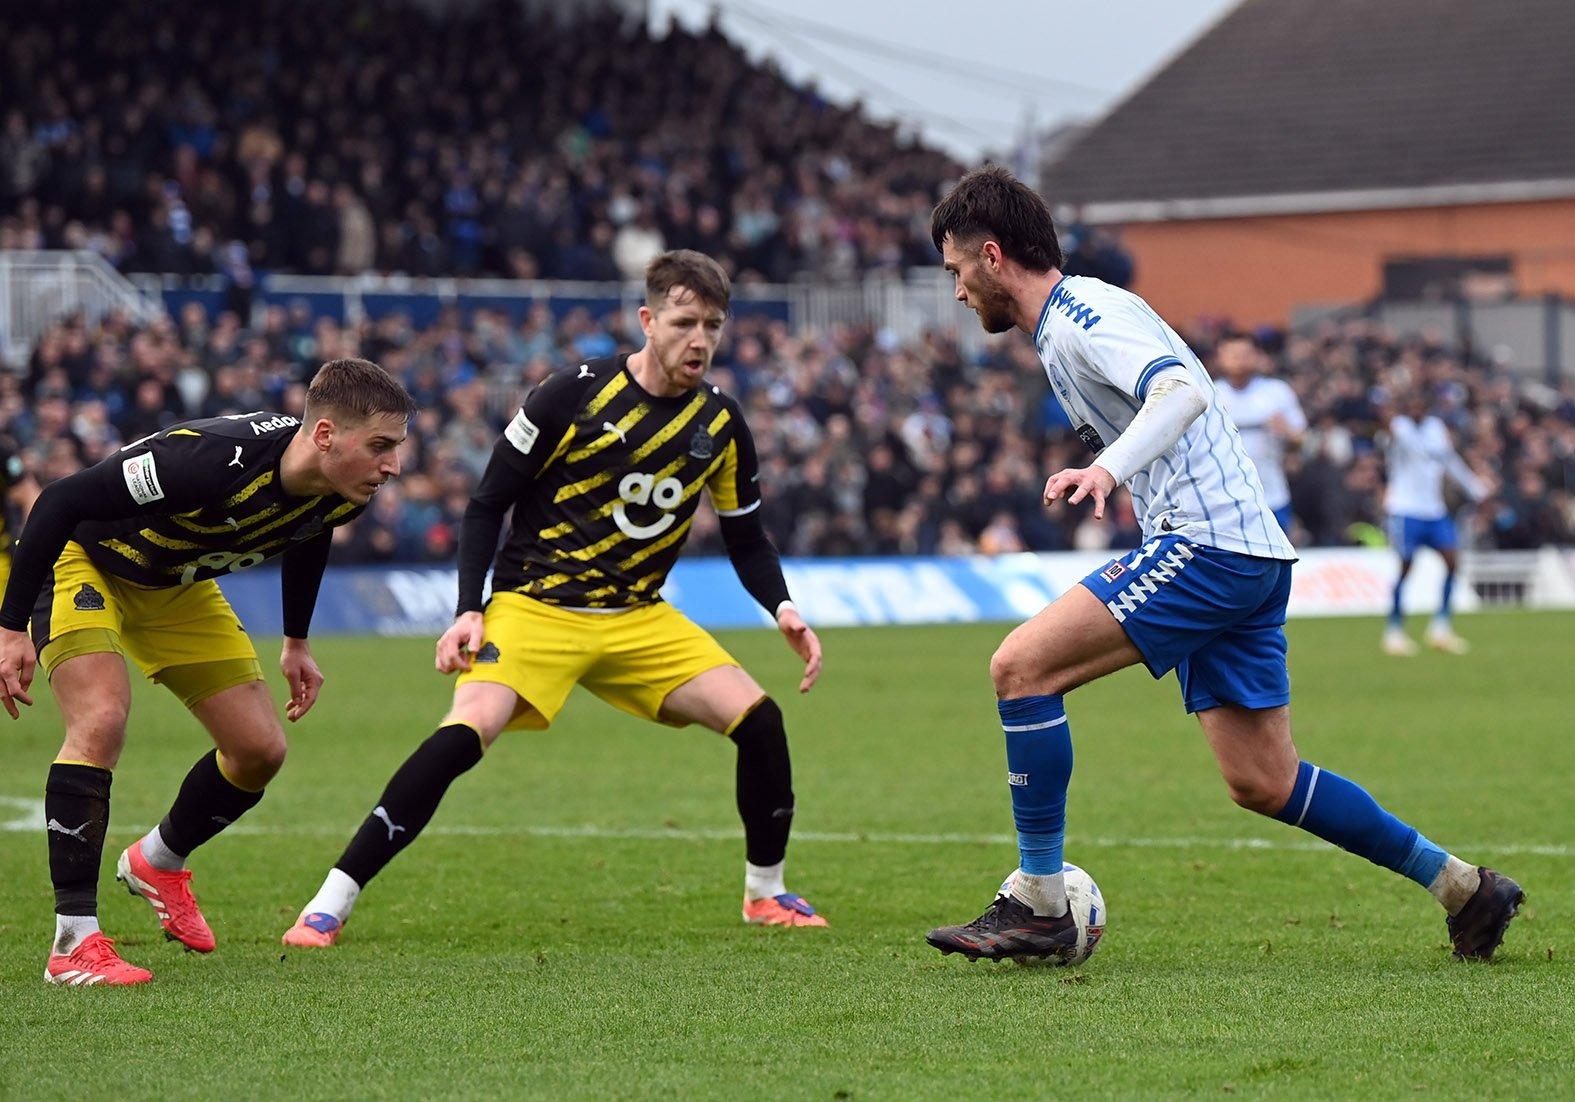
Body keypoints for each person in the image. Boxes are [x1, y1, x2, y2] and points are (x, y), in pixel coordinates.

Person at [921, 166, 1522, 964]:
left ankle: (1038, 900)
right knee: (1263, 781)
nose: (958, 293)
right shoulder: (1065, 326)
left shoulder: (1082, 313)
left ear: (992, 256)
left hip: (1206, 547)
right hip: (1242, 550)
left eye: (956, 271)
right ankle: (1462, 888)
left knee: (1019, 668)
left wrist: (1105, 471)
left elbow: (1178, 390)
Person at [282, 250, 826, 948]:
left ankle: (766, 893)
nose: (699, 340)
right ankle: (330, 901)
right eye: (684, 322)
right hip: (535, 607)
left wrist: (781, 607)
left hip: (638, 618)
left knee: (759, 720)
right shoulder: (569, 393)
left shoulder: (719, 423)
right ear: (646, 319)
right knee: (463, 732)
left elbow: (747, 538)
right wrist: (469, 608)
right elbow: (486, 505)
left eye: (712, 326)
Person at [0, 358, 412, 986]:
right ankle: (72, 943)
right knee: (101, 719)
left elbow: (311, 530)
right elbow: (58, 500)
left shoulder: (343, 491)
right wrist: (8, 630)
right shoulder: (212, 459)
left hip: (172, 583)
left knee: (258, 749)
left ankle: (158, 862)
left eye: (398, 448)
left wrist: (296, 640)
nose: (393, 466)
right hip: (84, 558)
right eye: (380, 447)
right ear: (325, 435)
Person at [1381, 392, 1488, 656]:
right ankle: (1394, 630)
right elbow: (1388, 442)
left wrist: (1475, 488)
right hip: (1406, 509)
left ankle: (1441, 627)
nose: (1417, 409)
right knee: (1406, 568)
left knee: (1453, 561)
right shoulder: (1399, 428)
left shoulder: (1435, 429)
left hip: (1434, 509)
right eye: (1412, 405)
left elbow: (1449, 461)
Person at [1212, 332, 1305, 537]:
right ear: (1220, 357)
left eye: (1244, 353)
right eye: (1232, 354)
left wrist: (1287, 432)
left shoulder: (1277, 392)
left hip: (1272, 494)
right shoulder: (1211, 395)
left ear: (1256, 356)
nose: (1238, 359)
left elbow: (1302, 440)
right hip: (1225, 500)